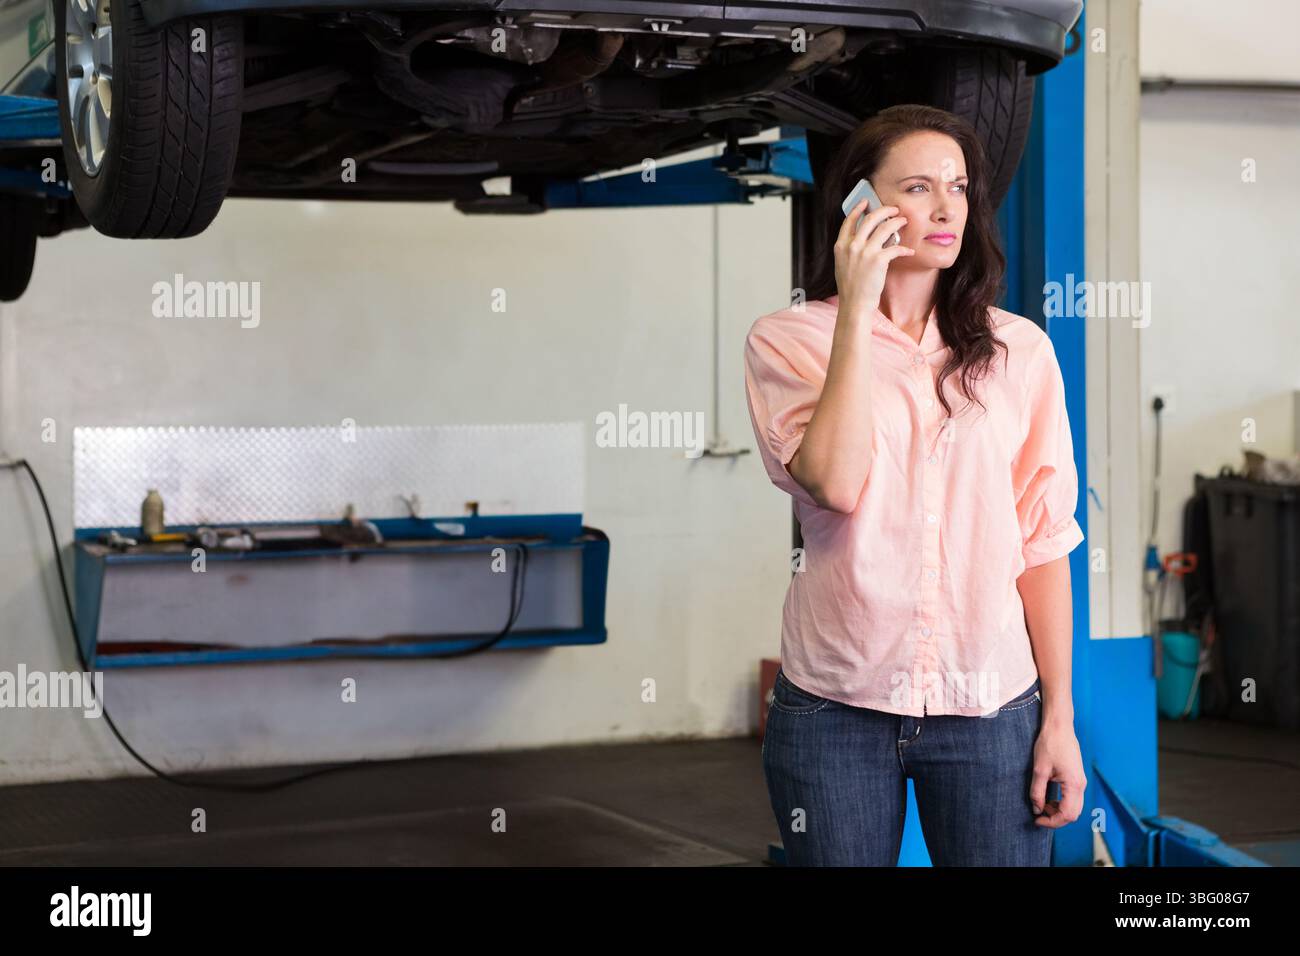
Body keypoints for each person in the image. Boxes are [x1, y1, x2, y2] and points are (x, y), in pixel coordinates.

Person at [742, 104, 1087, 866]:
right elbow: (832, 483)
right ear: (860, 204)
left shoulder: (1018, 351)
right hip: (836, 707)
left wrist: (1059, 718)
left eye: (959, 188)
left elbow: (1043, 542)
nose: (946, 208)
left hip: (990, 706)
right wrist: (857, 308)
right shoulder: (788, 338)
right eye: (920, 186)